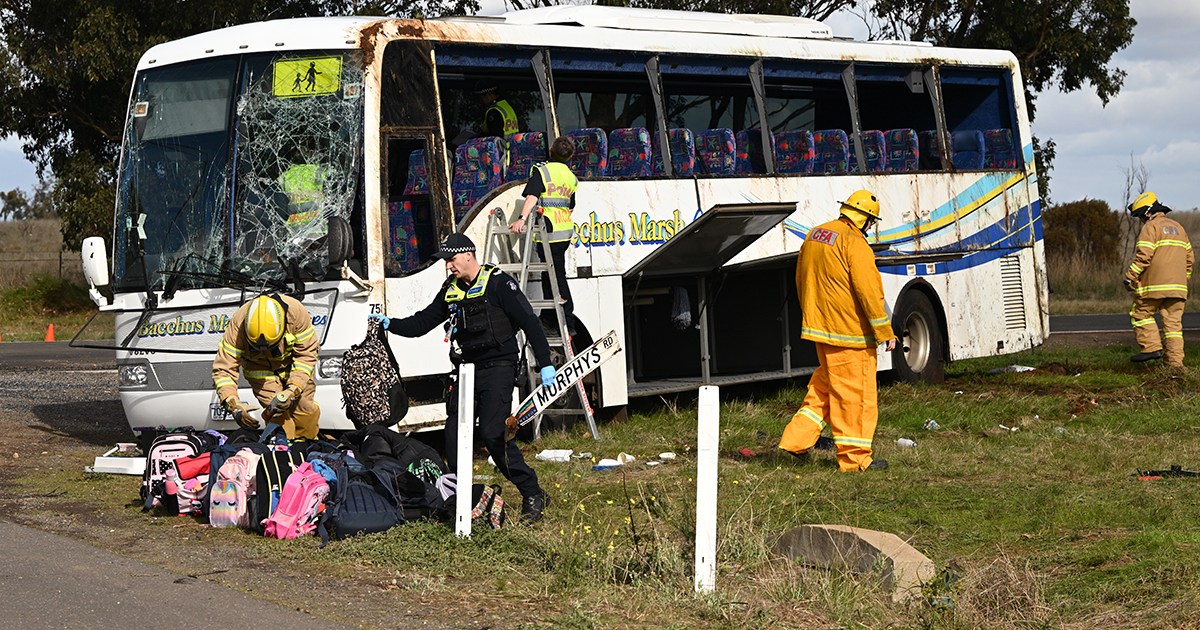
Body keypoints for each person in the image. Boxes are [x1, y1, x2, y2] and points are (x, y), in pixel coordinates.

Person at [369, 233, 556, 523]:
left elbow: (530, 322)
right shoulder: (451, 290)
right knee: (454, 438)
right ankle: (461, 501)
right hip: (466, 371)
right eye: (446, 261)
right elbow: (422, 322)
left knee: (493, 435)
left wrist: (545, 364)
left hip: (499, 369)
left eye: (451, 259)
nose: (448, 266)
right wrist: (391, 324)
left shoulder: (498, 284)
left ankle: (532, 492)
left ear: (468, 254)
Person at [777, 190, 898, 472]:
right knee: (855, 398)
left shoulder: (815, 235)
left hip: (821, 330)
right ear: (866, 220)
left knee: (825, 389)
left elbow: (801, 278)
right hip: (851, 334)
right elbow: (869, 291)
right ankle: (855, 460)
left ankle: (795, 441)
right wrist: (884, 331)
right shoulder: (855, 242)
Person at [213, 294, 321, 439]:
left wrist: (294, 389)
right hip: (260, 371)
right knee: (279, 419)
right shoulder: (237, 327)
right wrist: (233, 404)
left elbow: (306, 355)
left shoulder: (296, 313)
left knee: (305, 410)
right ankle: (284, 447)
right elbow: (224, 370)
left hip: (293, 366)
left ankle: (307, 445)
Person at [509, 136, 578, 330]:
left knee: (556, 277)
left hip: (549, 233)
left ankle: (568, 320)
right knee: (551, 275)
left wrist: (521, 219)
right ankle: (549, 318)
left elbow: (532, 197)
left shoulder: (543, 171)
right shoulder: (570, 177)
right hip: (564, 231)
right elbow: (570, 207)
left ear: (550, 151)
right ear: (569, 156)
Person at [1124, 191, 1193, 366]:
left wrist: (1130, 276)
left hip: (1154, 287)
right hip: (1178, 288)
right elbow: (1189, 259)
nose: (1141, 220)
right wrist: (1183, 280)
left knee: (1140, 314)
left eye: (1141, 216)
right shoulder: (1179, 228)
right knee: (1173, 327)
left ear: (1148, 212)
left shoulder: (1151, 227)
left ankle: (1151, 347)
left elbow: (1144, 256)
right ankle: (1175, 365)